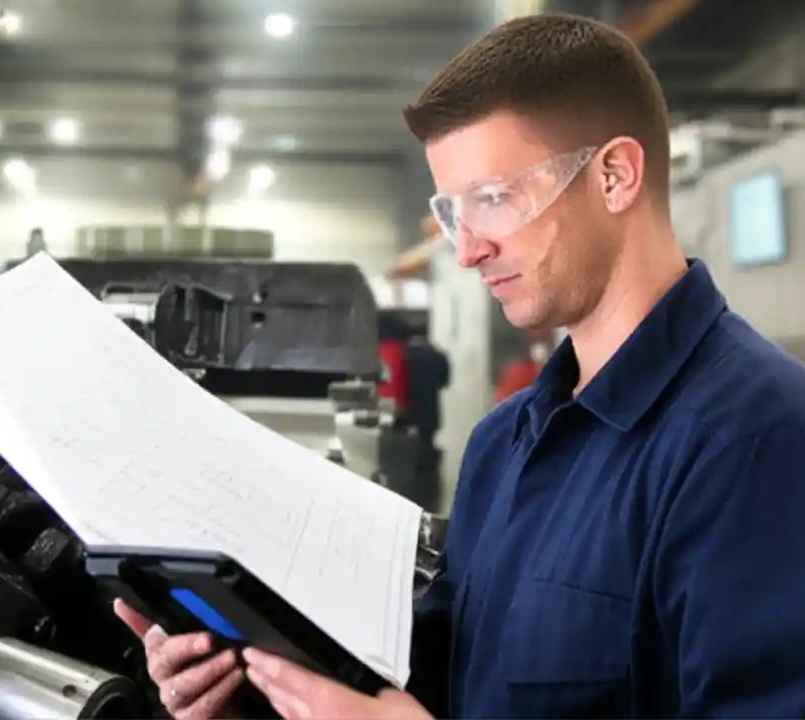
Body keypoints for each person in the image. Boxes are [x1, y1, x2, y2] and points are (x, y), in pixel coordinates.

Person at [115, 12, 805, 719]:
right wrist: (241, 687)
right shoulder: (503, 443)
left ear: (614, 176)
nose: (469, 250)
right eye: (454, 213)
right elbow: (430, 690)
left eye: (495, 199)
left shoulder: (757, 436)